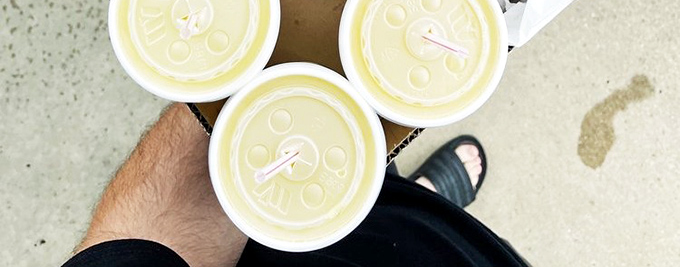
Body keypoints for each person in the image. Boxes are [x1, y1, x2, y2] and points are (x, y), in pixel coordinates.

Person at [63, 104, 529, 267]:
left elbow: (148, 239)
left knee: (357, 172)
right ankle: (417, 203)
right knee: (427, 231)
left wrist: (251, 98)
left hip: (266, 223)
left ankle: (401, 200)